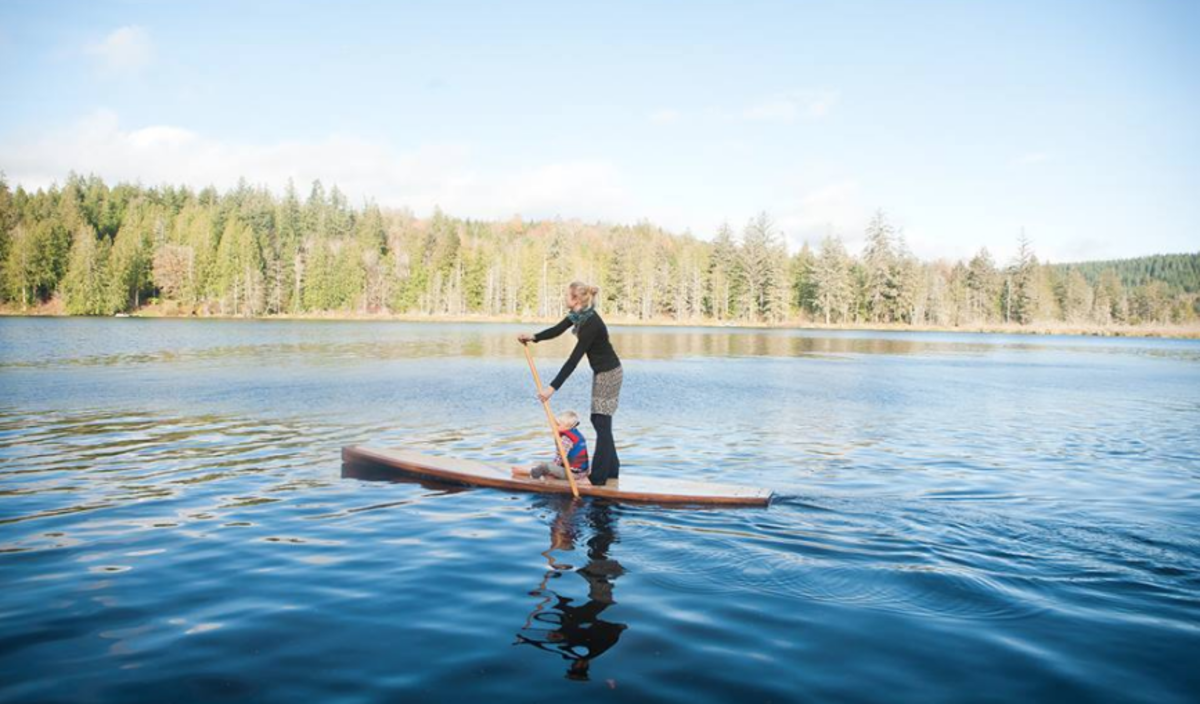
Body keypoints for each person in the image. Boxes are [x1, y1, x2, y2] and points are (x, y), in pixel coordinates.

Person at [518, 281, 623, 485]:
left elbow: (573, 360)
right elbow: (557, 330)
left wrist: (551, 388)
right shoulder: (578, 315)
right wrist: (533, 337)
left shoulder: (591, 323)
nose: (564, 298)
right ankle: (612, 471)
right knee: (600, 421)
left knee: (601, 422)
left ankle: (599, 478)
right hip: (603, 372)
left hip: (609, 373)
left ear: (575, 299)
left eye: (567, 295)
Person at [511, 410, 590, 484]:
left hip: (572, 475)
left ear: (567, 426)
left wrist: (550, 469)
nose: (555, 426)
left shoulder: (566, 439)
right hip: (583, 472)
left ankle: (529, 473)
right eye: (556, 423)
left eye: (558, 425)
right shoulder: (577, 434)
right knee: (543, 464)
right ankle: (540, 471)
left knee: (545, 466)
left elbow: (559, 458)